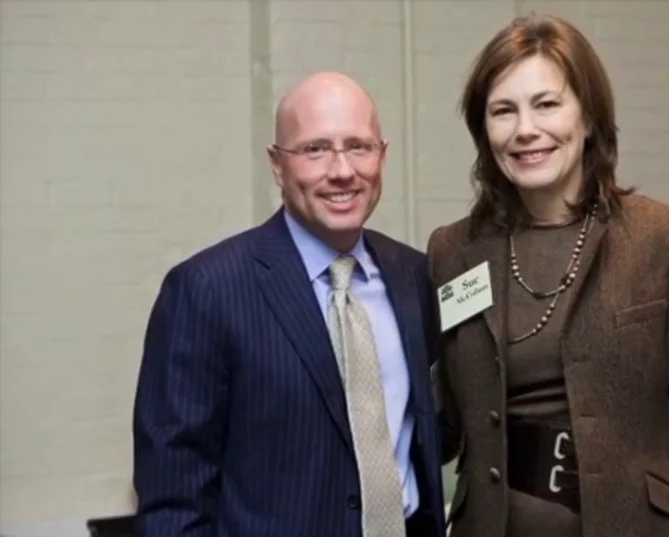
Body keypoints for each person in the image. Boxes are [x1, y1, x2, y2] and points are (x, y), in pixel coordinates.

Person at [426, 13, 669, 537]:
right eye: (503, 111)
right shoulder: (454, 251)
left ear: (590, 117)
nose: (525, 130)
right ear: (484, 131)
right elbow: (450, 421)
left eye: (547, 104)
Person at [132, 71, 446, 537]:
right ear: (278, 165)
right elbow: (174, 500)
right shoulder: (206, 291)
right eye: (315, 149)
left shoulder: (416, 277)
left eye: (358, 146)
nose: (342, 171)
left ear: (383, 155)